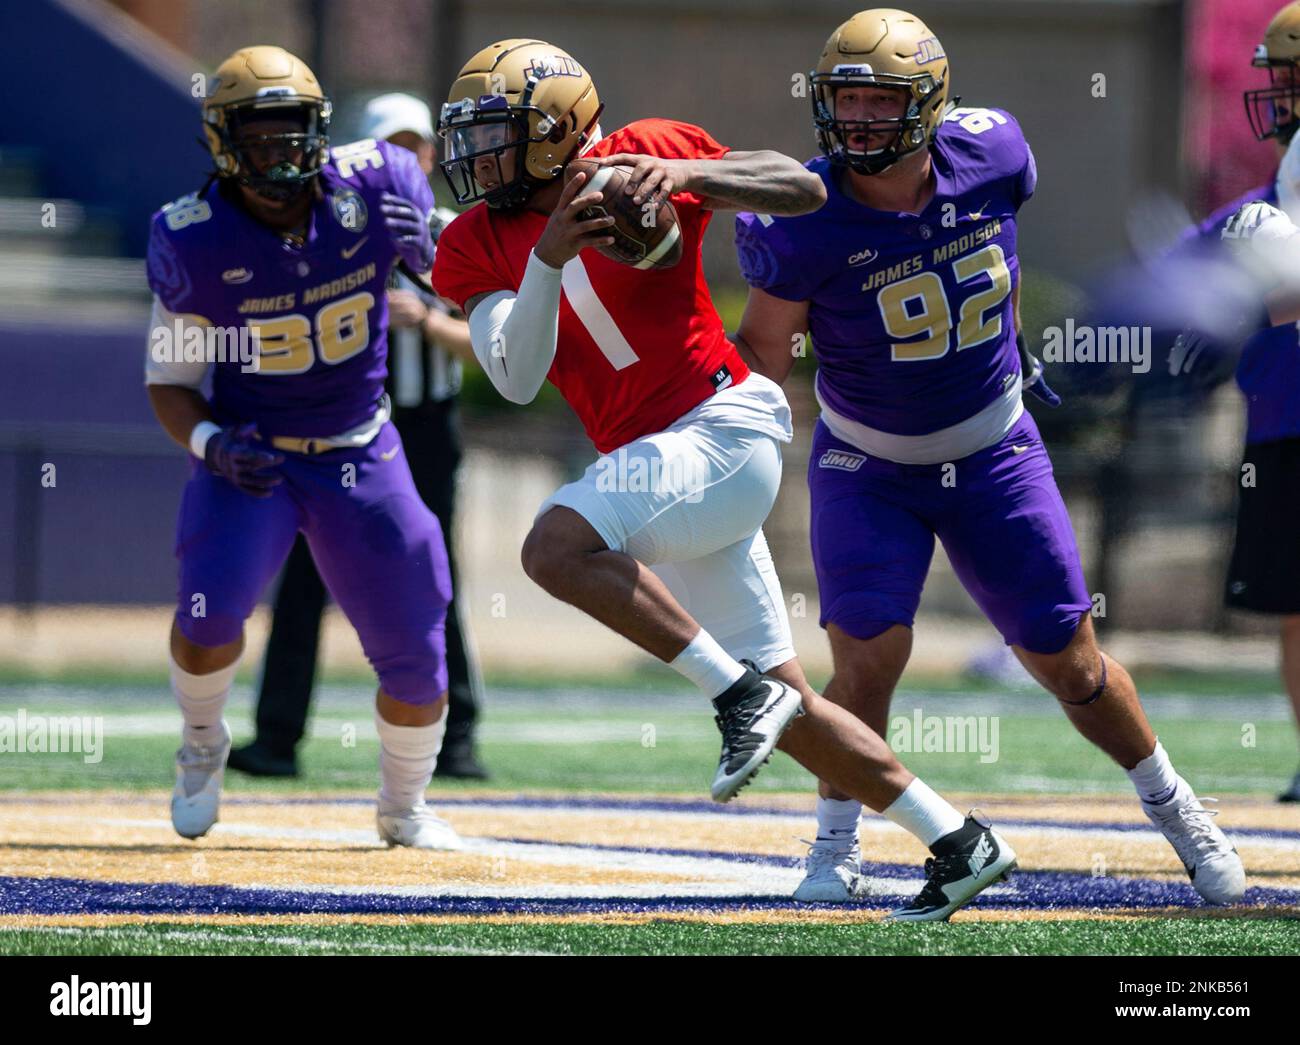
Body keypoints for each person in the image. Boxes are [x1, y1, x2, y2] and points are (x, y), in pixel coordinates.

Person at [431, 36, 1019, 921]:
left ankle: (739, 697)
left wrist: (686, 178)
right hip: (658, 467)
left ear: (555, 131)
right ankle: (960, 840)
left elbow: (801, 187)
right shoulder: (474, 240)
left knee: (552, 547)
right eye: (469, 139)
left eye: (494, 137)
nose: (476, 160)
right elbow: (515, 377)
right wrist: (548, 256)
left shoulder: (644, 154)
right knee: (796, 708)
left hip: (724, 425)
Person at [732, 10, 1246, 905]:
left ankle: (1178, 809)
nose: (858, 118)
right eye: (845, 99)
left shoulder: (994, 152)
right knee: (868, 659)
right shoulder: (802, 218)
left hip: (993, 448)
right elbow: (765, 356)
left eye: (880, 100)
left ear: (930, 104)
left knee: (1071, 664)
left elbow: (994, 245)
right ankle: (834, 844)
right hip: (868, 464)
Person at [145, 45, 461, 850]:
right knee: (207, 615)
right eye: (259, 137)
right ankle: (202, 741)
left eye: (291, 133)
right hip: (255, 456)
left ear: (319, 130)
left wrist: (436, 259)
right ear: (224, 143)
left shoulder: (382, 183)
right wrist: (211, 444)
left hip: (361, 445)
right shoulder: (195, 238)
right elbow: (170, 382)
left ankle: (403, 804)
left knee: (418, 644)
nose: (279, 153)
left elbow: (483, 289)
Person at [228, 92, 487, 781]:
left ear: (431, 154)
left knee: (434, 572)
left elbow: (497, 344)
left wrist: (427, 321)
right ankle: (277, 737)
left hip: (424, 427)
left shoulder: (450, 232)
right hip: (341, 427)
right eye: (390, 147)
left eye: (415, 146)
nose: (404, 159)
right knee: (306, 575)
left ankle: (457, 735)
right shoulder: (327, 225)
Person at [1168, 2, 1300, 803]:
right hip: (1283, 417)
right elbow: (1182, 271)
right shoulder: (1266, 200)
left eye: (1293, 77)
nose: (1280, 93)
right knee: (1293, 602)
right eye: (1279, 77)